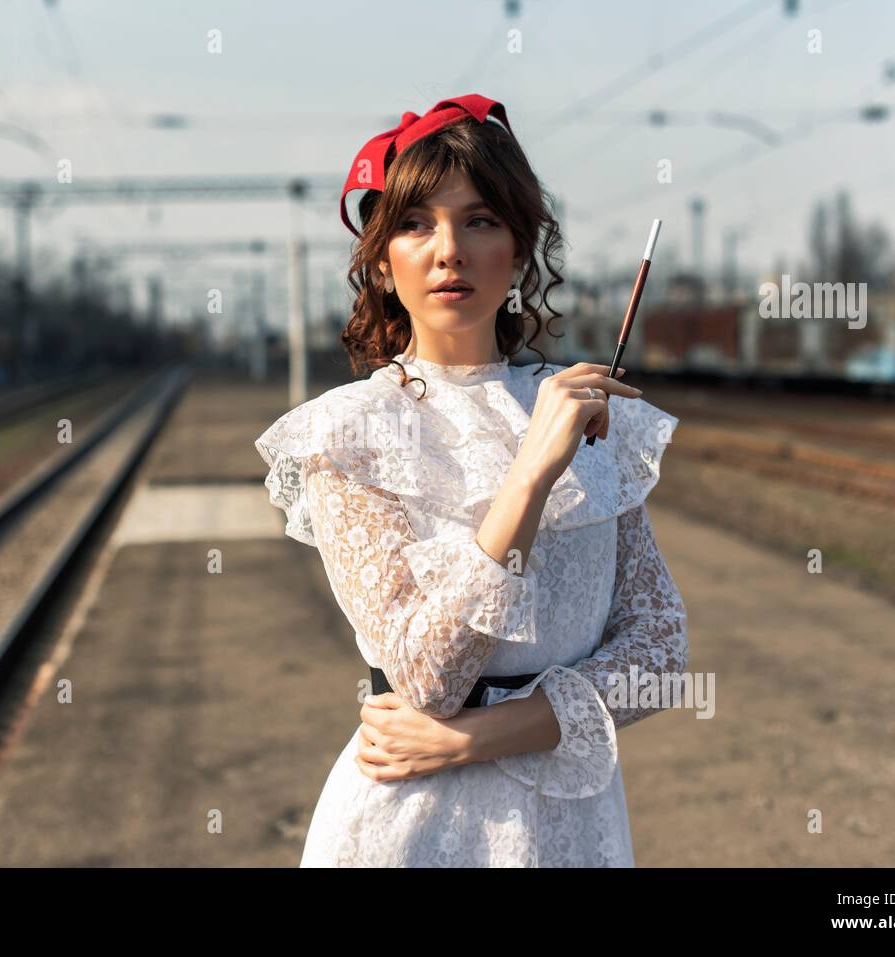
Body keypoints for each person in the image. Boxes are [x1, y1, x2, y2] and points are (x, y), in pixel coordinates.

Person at [254, 94, 689, 867]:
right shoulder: (347, 434)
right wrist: (528, 475)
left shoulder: (587, 410)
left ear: (518, 252)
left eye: (480, 219)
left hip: (573, 827)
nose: (448, 248)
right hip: (411, 828)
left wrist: (477, 738)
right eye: (416, 223)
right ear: (383, 263)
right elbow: (425, 675)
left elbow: (659, 654)